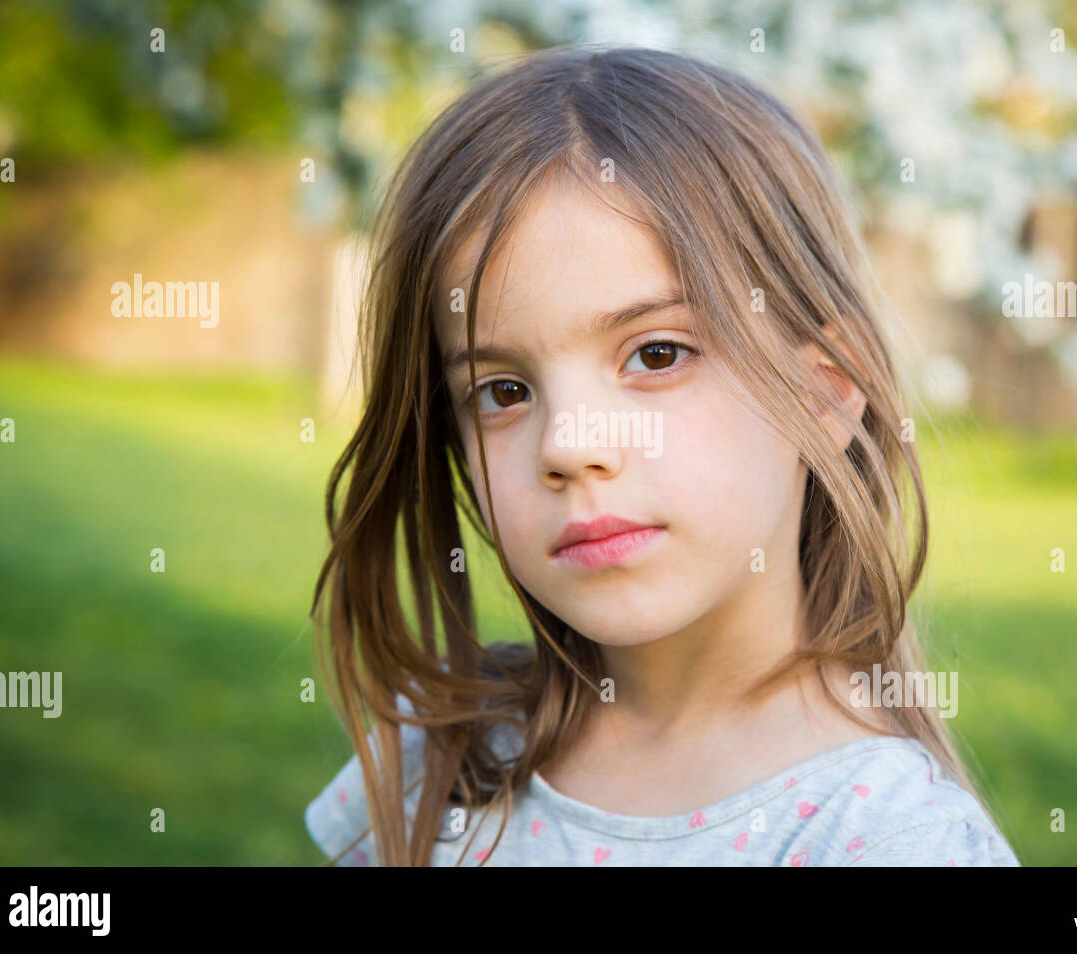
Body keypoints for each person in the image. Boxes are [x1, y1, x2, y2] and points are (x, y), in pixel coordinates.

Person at [304, 45, 1021, 867]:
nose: (569, 447)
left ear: (825, 393)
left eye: (655, 354)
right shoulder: (438, 759)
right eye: (503, 392)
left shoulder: (890, 842)